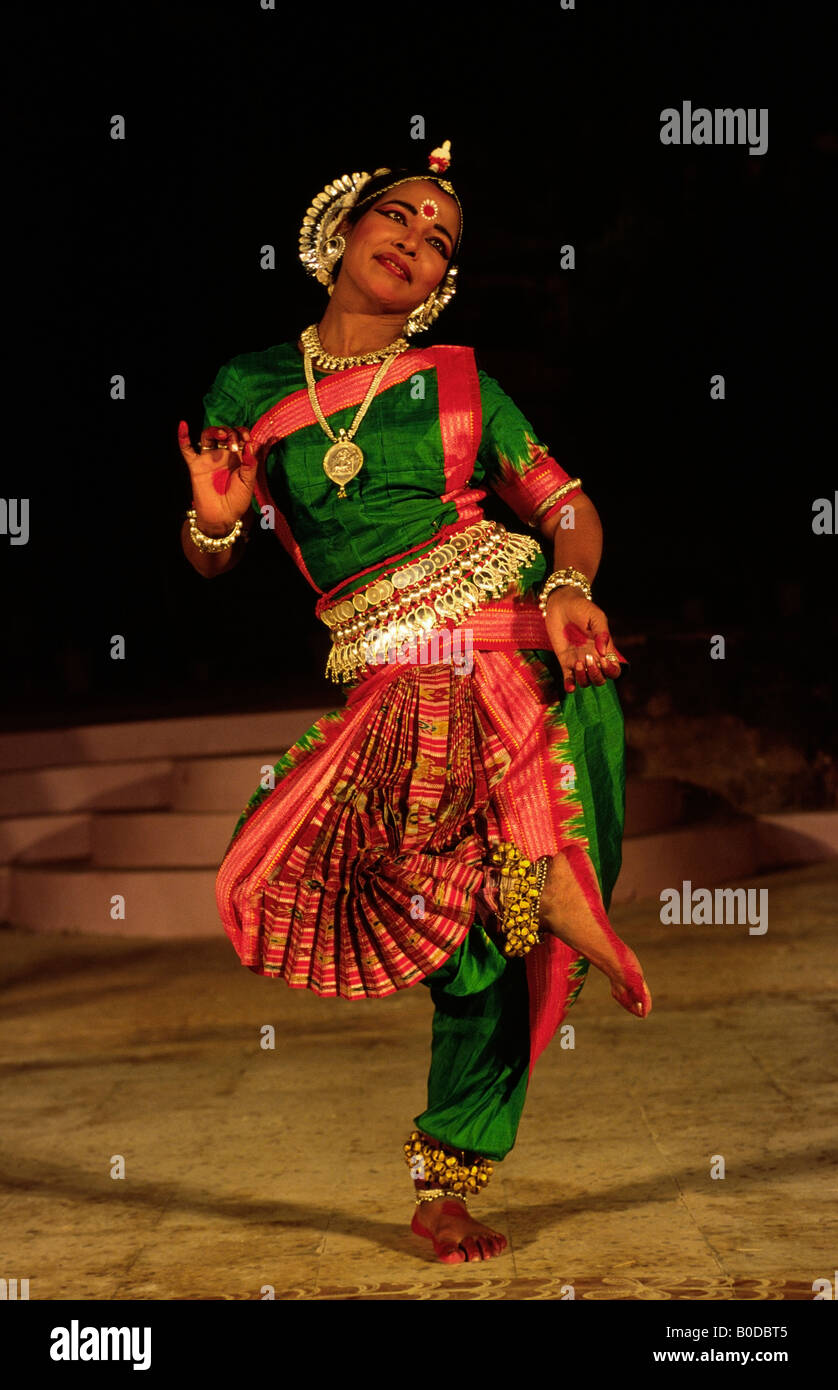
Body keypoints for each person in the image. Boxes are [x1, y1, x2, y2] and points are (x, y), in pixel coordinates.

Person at [177, 140, 652, 1266]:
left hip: (504, 631)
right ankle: (534, 867)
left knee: (507, 947)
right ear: (339, 233)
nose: (415, 240)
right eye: (398, 216)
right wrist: (211, 518)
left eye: (439, 238)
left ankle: (446, 1181)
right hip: (379, 669)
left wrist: (573, 585)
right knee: (299, 859)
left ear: (438, 282)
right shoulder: (248, 387)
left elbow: (565, 505)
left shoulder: (458, 382)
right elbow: (214, 556)